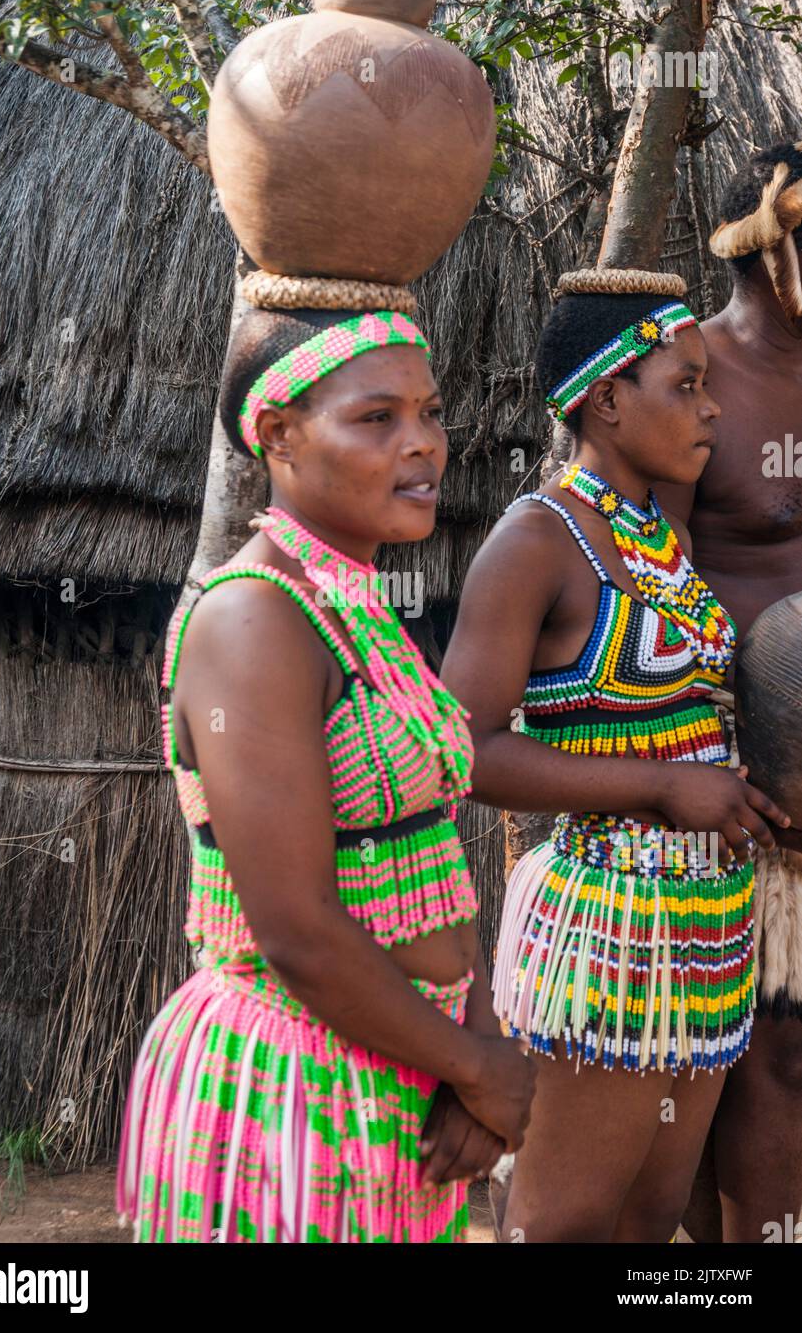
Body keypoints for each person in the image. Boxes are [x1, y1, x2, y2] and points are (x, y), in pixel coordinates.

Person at [115, 297, 535, 1243]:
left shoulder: (357, 610)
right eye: (377, 418)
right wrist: (478, 1069)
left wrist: (473, 1048)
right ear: (278, 435)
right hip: (290, 1090)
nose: (422, 444)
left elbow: (427, 864)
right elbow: (296, 929)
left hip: (399, 1071)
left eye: (430, 413)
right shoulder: (253, 621)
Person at [440, 269, 791, 1243]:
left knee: (645, 1221)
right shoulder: (536, 543)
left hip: (708, 921)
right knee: (563, 1227)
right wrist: (661, 784)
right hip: (610, 927)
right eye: (682, 384)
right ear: (604, 399)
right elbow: (459, 750)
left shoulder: (661, 537)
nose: (711, 405)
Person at [656, 143, 802, 1243]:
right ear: (767, 243)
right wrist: (704, 770)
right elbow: (637, 590)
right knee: (765, 1045)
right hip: (733, 795)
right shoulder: (684, 383)